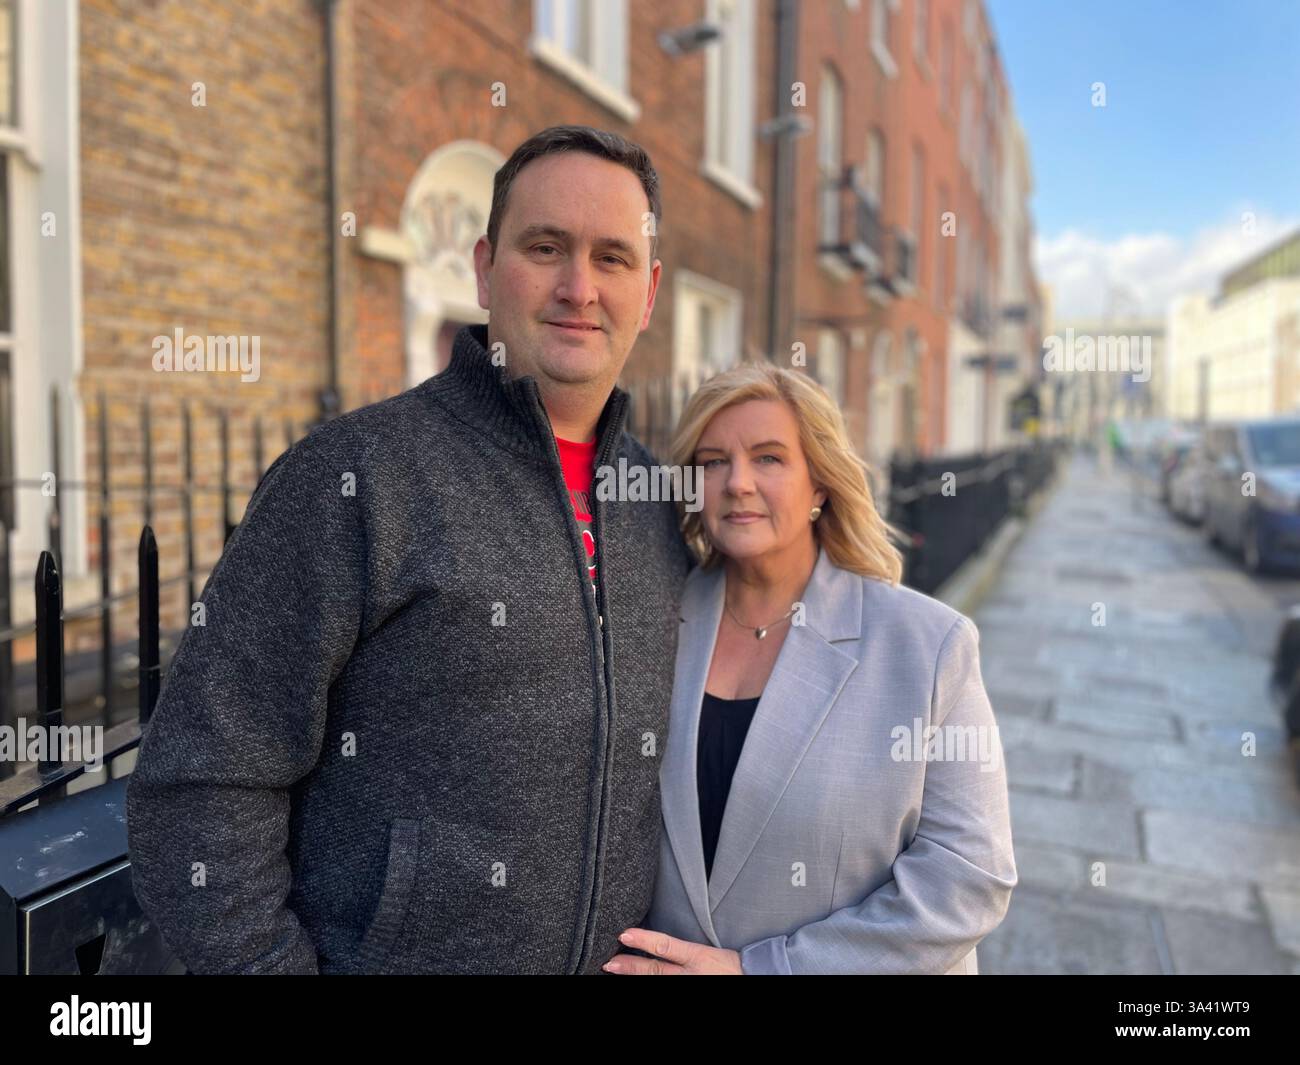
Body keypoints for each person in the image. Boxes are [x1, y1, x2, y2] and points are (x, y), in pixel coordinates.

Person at [126, 125, 691, 974]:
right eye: (546, 246)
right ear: (484, 265)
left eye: (612, 258)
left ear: (646, 295)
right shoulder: (356, 477)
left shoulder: (665, 510)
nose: (580, 286)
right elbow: (202, 780)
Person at [604, 364, 1017, 974]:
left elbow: (968, 878)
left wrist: (761, 970)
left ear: (820, 485)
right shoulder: (650, 619)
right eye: (714, 462)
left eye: (769, 458)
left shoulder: (930, 645)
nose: (738, 482)